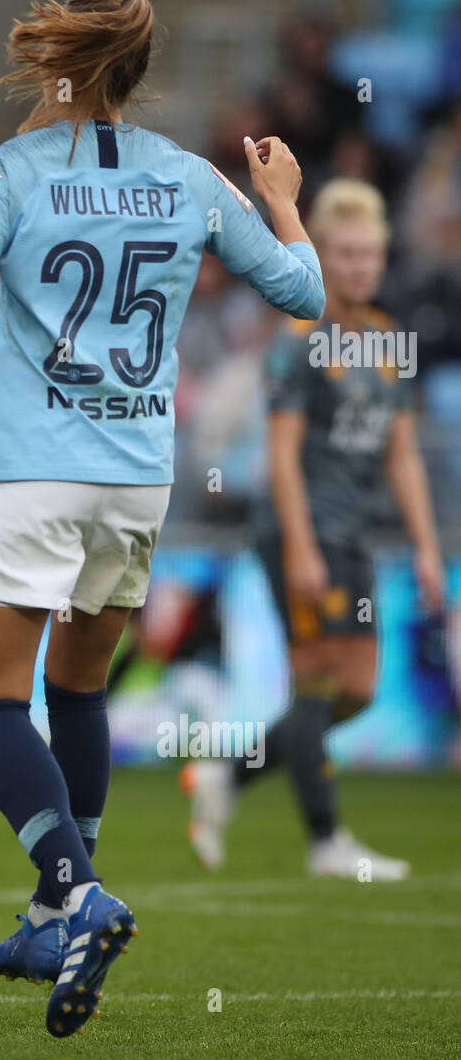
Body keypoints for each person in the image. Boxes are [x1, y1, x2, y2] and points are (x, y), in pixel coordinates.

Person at [0, 0, 325, 1037]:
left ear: (49, 67)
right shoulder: (188, 178)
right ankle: (45, 915)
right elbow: (301, 295)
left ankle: (77, 891)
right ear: (133, 73)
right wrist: (284, 200)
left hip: (31, 469)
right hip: (132, 476)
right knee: (77, 693)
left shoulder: (9, 172)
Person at [182, 178, 445, 878]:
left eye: (368, 254)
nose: (357, 265)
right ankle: (327, 840)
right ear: (320, 254)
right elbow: (280, 452)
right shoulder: (298, 339)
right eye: (344, 252)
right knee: (317, 683)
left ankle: (227, 777)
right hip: (298, 529)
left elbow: (402, 455)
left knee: (355, 688)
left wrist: (425, 550)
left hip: (353, 533)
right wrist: (298, 546)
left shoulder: (388, 341)